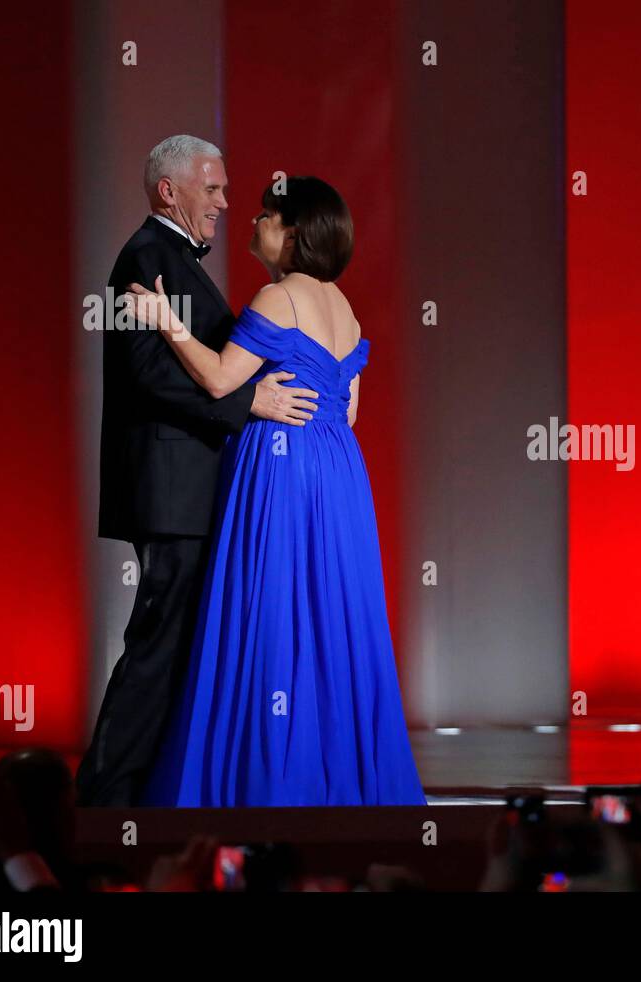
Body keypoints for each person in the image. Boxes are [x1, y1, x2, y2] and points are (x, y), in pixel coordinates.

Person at [132, 176, 426, 806]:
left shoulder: (276, 298)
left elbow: (217, 382)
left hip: (282, 472)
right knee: (331, 618)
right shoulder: (342, 306)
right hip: (340, 474)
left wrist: (166, 323)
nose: (252, 222)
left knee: (272, 615)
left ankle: (264, 779)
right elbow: (346, 412)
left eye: (265, 215)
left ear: (291, 233)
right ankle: (335, 781)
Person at [78, 135, 320, 807]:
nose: (223, 202)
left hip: (187, 489)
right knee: (159, 646)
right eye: (211, 189)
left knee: (173, 644)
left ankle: (141, 792)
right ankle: (103, 800)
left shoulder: (170, 258)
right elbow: (149, 374)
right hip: (171, 493)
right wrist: (253, 401)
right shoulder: (148, 256)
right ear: (169, 190)